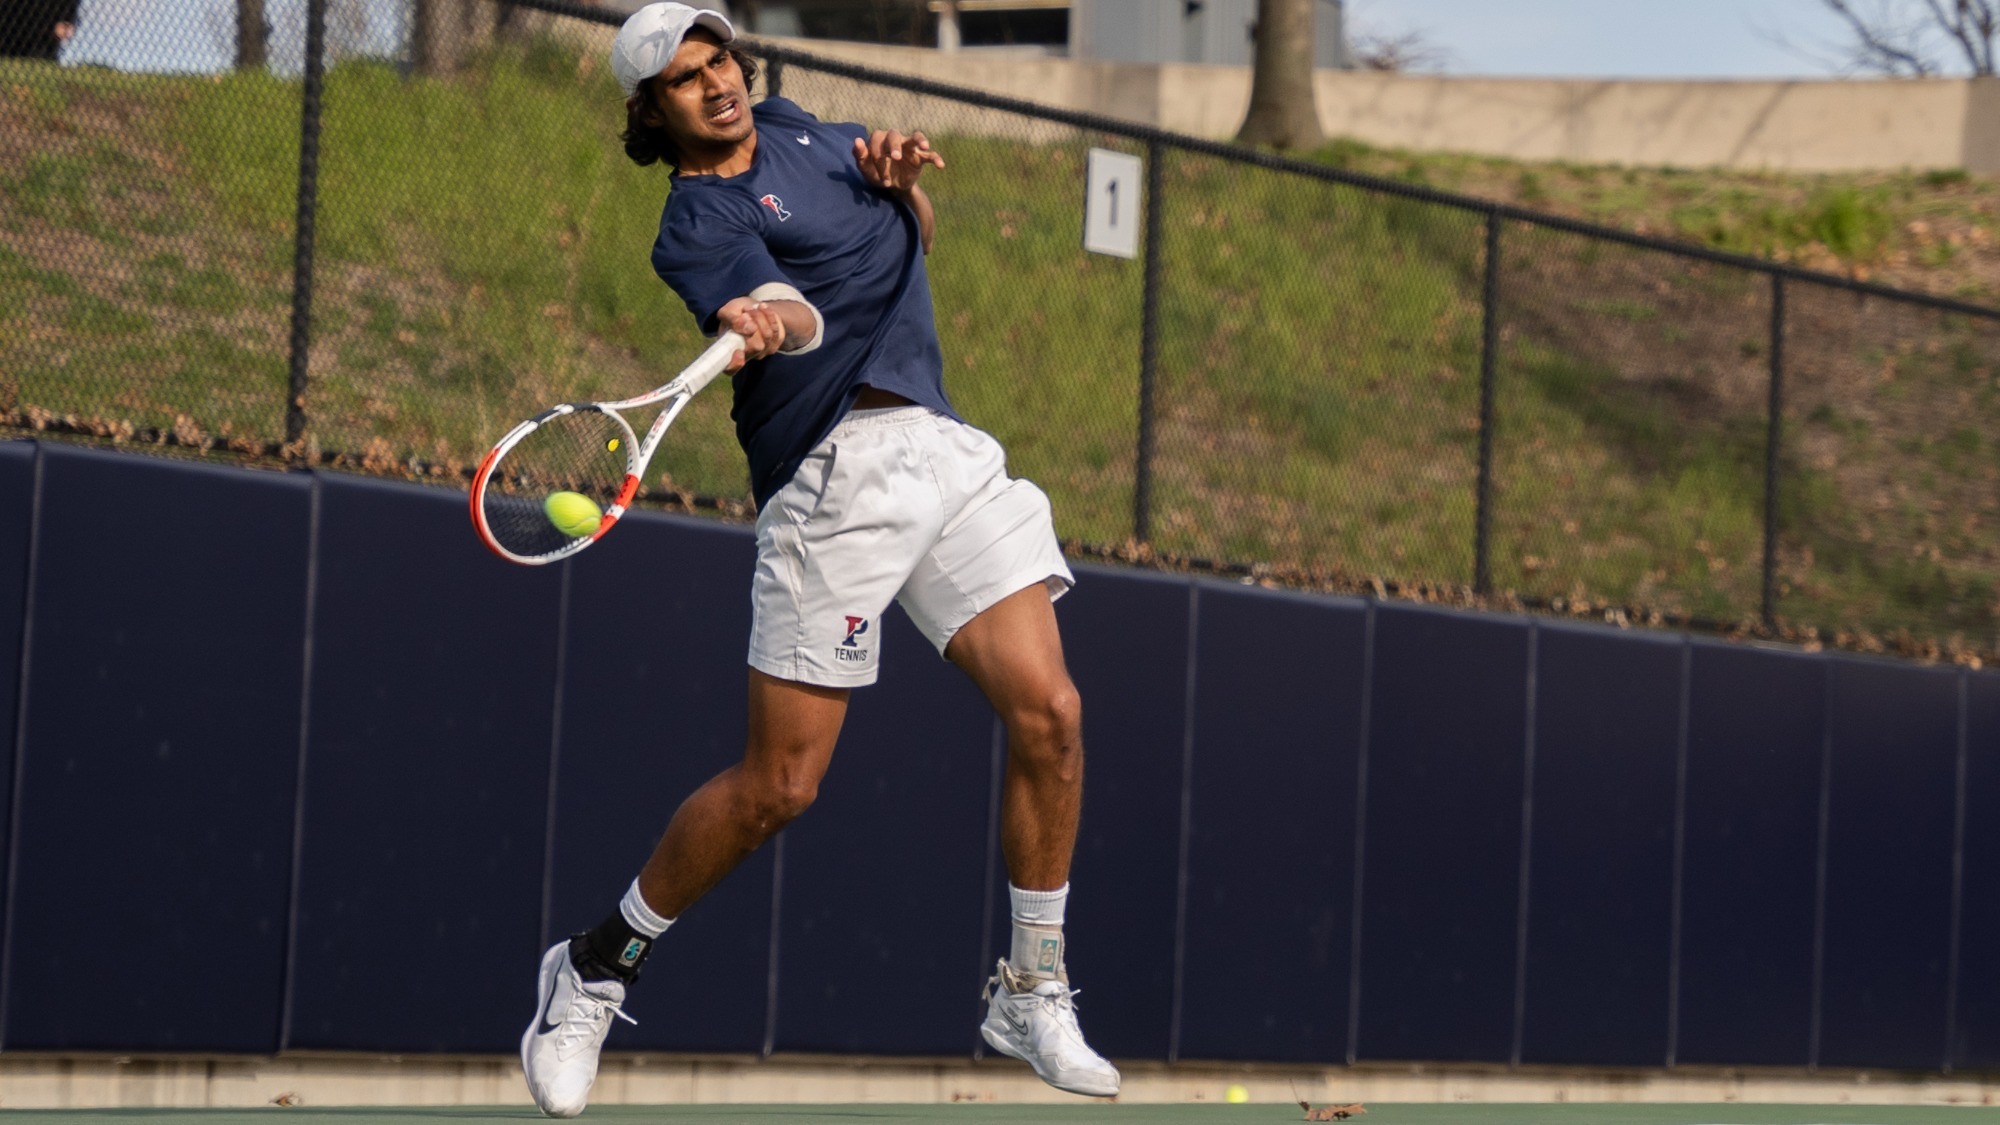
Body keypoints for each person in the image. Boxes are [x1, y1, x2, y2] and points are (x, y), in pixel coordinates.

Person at [518, 3, 1118, 1116]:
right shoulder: (694, 220)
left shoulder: (808, 129)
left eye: (721, 60)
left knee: (1053, 715)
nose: (718, 84)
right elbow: (788, 308)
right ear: (653, 111)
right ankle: (594, 970)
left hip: (943, 451)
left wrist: (895, 173)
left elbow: (914, 230)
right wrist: (760, 315)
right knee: (778, 788)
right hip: (833, 482)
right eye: (686, 80)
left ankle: (1029, 989)